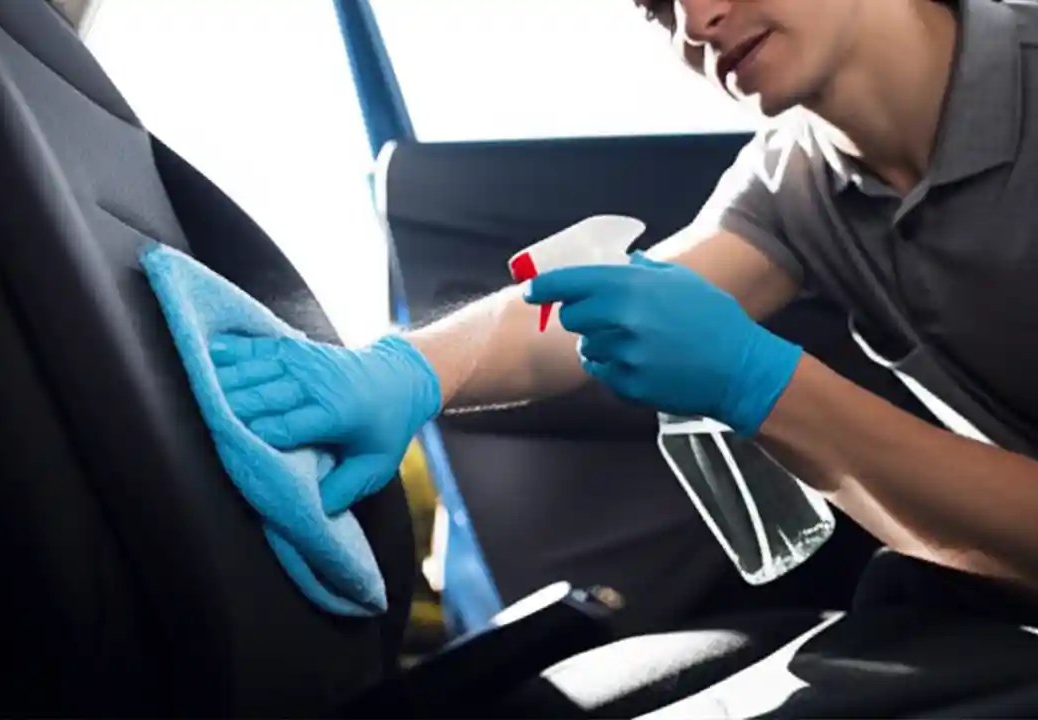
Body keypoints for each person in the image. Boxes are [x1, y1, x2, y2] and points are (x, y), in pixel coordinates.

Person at [211, 0, 1038, 626]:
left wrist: (772, 389)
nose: (696, 21)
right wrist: (404, 371)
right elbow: (596, 307)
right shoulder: (797, 183)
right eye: (658, 1)